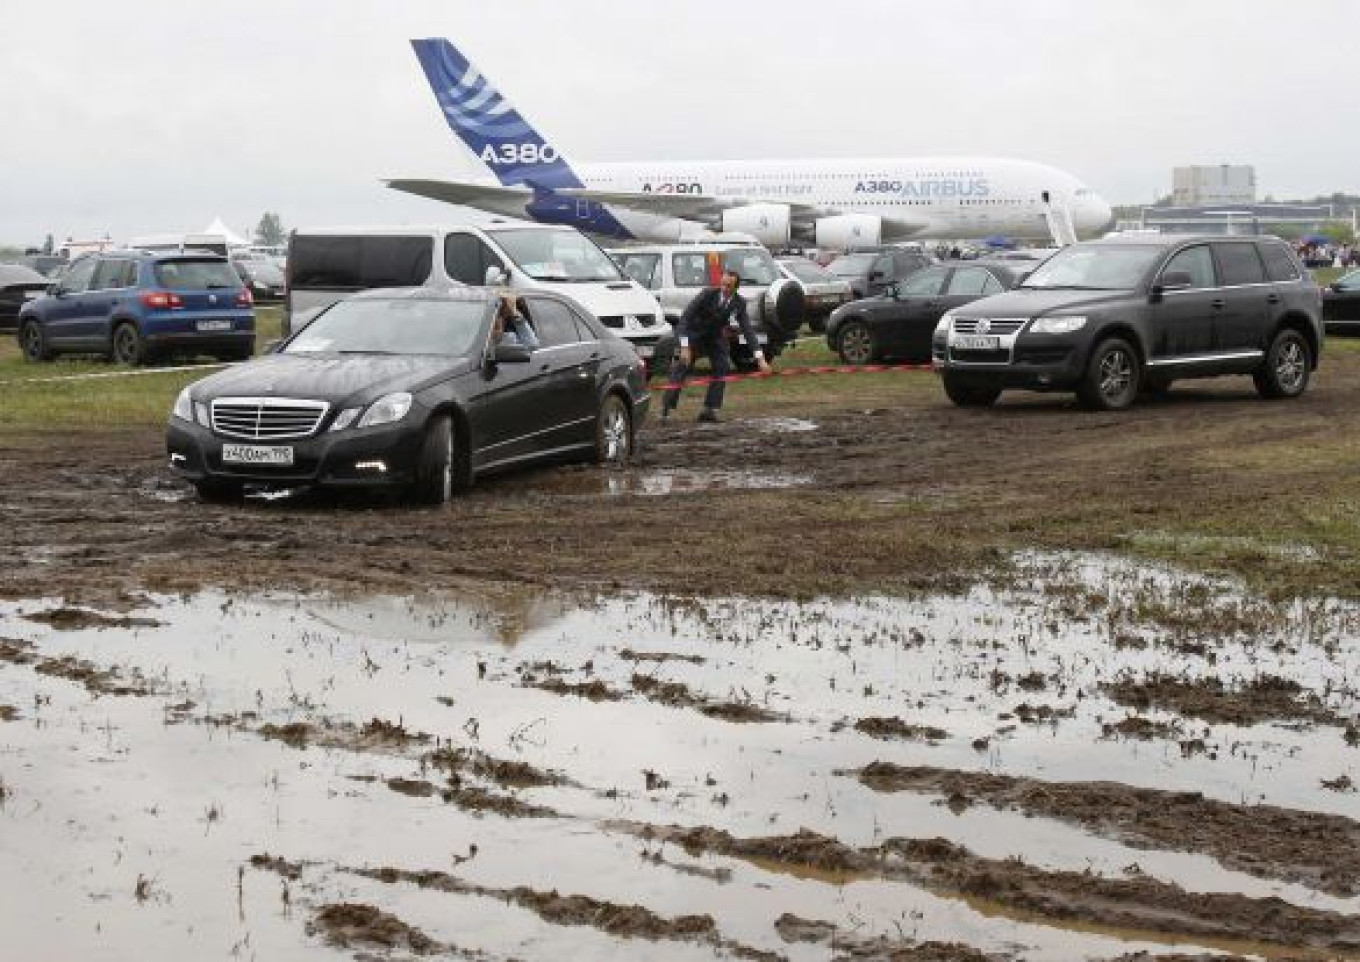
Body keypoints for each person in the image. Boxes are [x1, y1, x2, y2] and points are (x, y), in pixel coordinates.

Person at [661, 269, 771, 423]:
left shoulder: (739, 303)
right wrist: (685, 346)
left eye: (729, 286)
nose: (724, 288)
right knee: (681, 367)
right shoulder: (707, 294)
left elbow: (748, 331)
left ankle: (709, 410)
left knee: (723, 367)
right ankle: (666, 410)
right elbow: (685, 319)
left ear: (735, 288)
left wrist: (760, 359)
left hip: (715, 338)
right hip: (693, 335)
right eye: (723, 284)